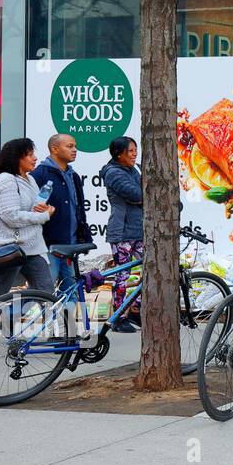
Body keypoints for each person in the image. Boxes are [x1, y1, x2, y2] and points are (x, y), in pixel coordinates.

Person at [32, 134, 91, 304]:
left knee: (71, 290)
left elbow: (80, 209)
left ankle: (68, 330)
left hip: (70, 246)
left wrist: (83, 236)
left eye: (75, 146)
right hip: (47, 246)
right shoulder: (39, 175)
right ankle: (11, 319)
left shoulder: (74, 176)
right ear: (54, 149)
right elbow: (30, 208)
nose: (74, 150)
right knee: (44, 292)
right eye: (70, 146)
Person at [0, 139, 56, 297]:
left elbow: (31, 209)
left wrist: (44, 209)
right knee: (0, 295)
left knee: (46, 293)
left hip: (33, 248)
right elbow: (10, 215)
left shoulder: (31, 179)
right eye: (29, 155)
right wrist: (43, 216)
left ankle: (9, 319)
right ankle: (8, 318)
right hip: (11, 248)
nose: (34, 158)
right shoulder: (7, 179)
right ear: (16, 158)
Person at [100, 136, 143, 333]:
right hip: (122, 233)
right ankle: (118, 317)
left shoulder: (134, 170)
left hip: (140, 231)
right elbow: (138, 195)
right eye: (131, 151)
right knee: (122, 276)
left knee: (150, 270)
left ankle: (135, 309)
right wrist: (146, 197)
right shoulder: (113, 173)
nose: (135, 154)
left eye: (135, 150)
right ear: (119, 154)